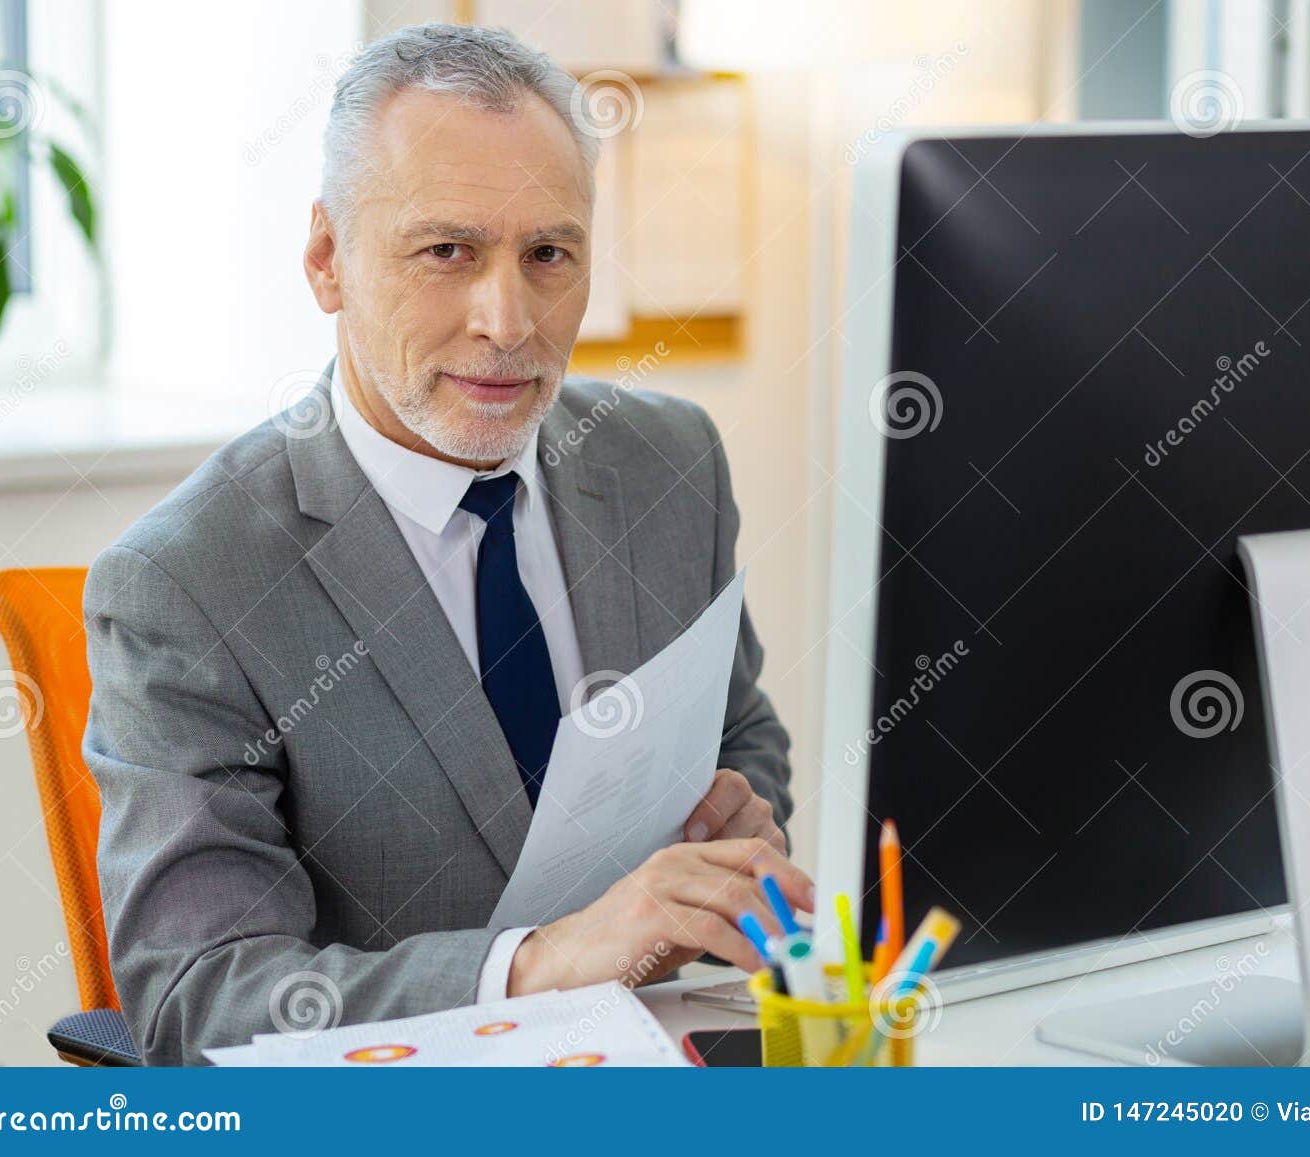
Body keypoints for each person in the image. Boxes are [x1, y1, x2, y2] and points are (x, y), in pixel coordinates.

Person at [83, 23, 807, 1066]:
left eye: (548, 254)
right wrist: (541, 962)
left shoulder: (669, 462)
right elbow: (203, 998)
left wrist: (736, 813)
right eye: (446, 251)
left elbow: (743, 733)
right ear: (328, 258)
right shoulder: (185, 582)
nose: (507, 320)